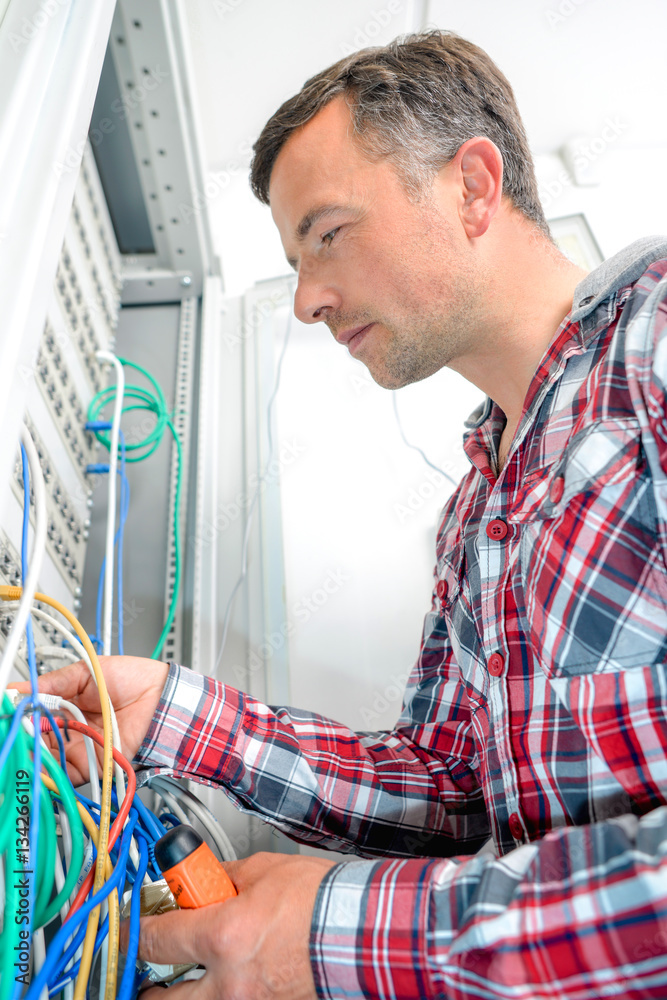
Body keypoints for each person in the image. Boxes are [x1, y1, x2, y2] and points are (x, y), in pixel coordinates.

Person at [30, 29, 667, 1000]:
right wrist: (183, 716)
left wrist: (337, 934)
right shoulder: (476, 519)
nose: (307, 301)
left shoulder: (652, 346)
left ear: (473, 187)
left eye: (327, 233)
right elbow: (450, 795)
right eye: (294, 259)